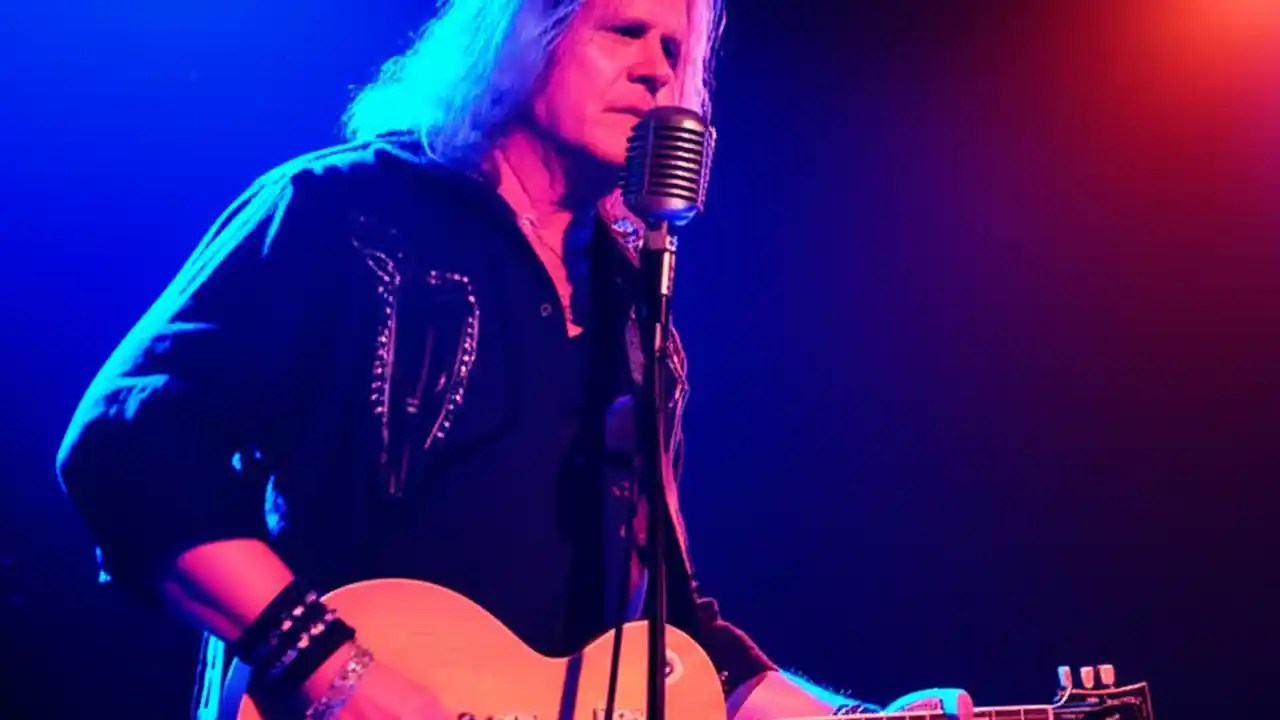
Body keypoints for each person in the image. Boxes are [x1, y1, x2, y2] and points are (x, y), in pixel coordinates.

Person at [55, 0, 972, 718]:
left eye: (675, 50)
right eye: (626, 31)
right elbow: (126, 450)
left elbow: (675, 640)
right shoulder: (340, 210)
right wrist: (335, 674)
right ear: (527, 32)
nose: (660, 68)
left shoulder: (637, 317)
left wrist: (862, 717)